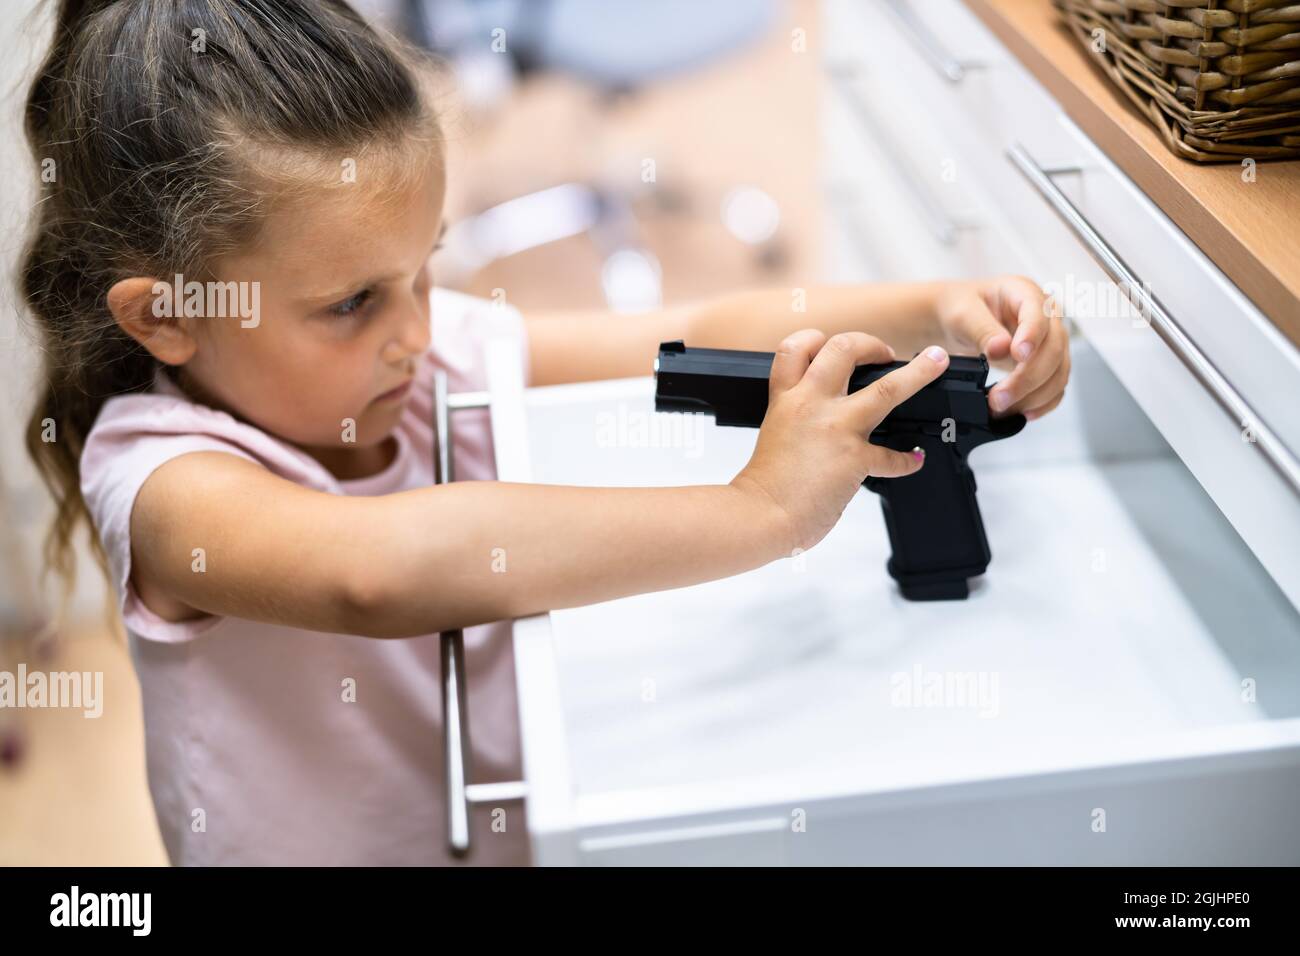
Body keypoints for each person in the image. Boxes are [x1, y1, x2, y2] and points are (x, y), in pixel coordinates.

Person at [19, 0, 1070, 865]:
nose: (416, 332)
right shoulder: (163, 483)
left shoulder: (422, 348)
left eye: (424, 265)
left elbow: (690, 332)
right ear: (167, 316)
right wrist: (756, 509)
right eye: (350, 303)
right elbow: (373, 572)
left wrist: (934, 306)